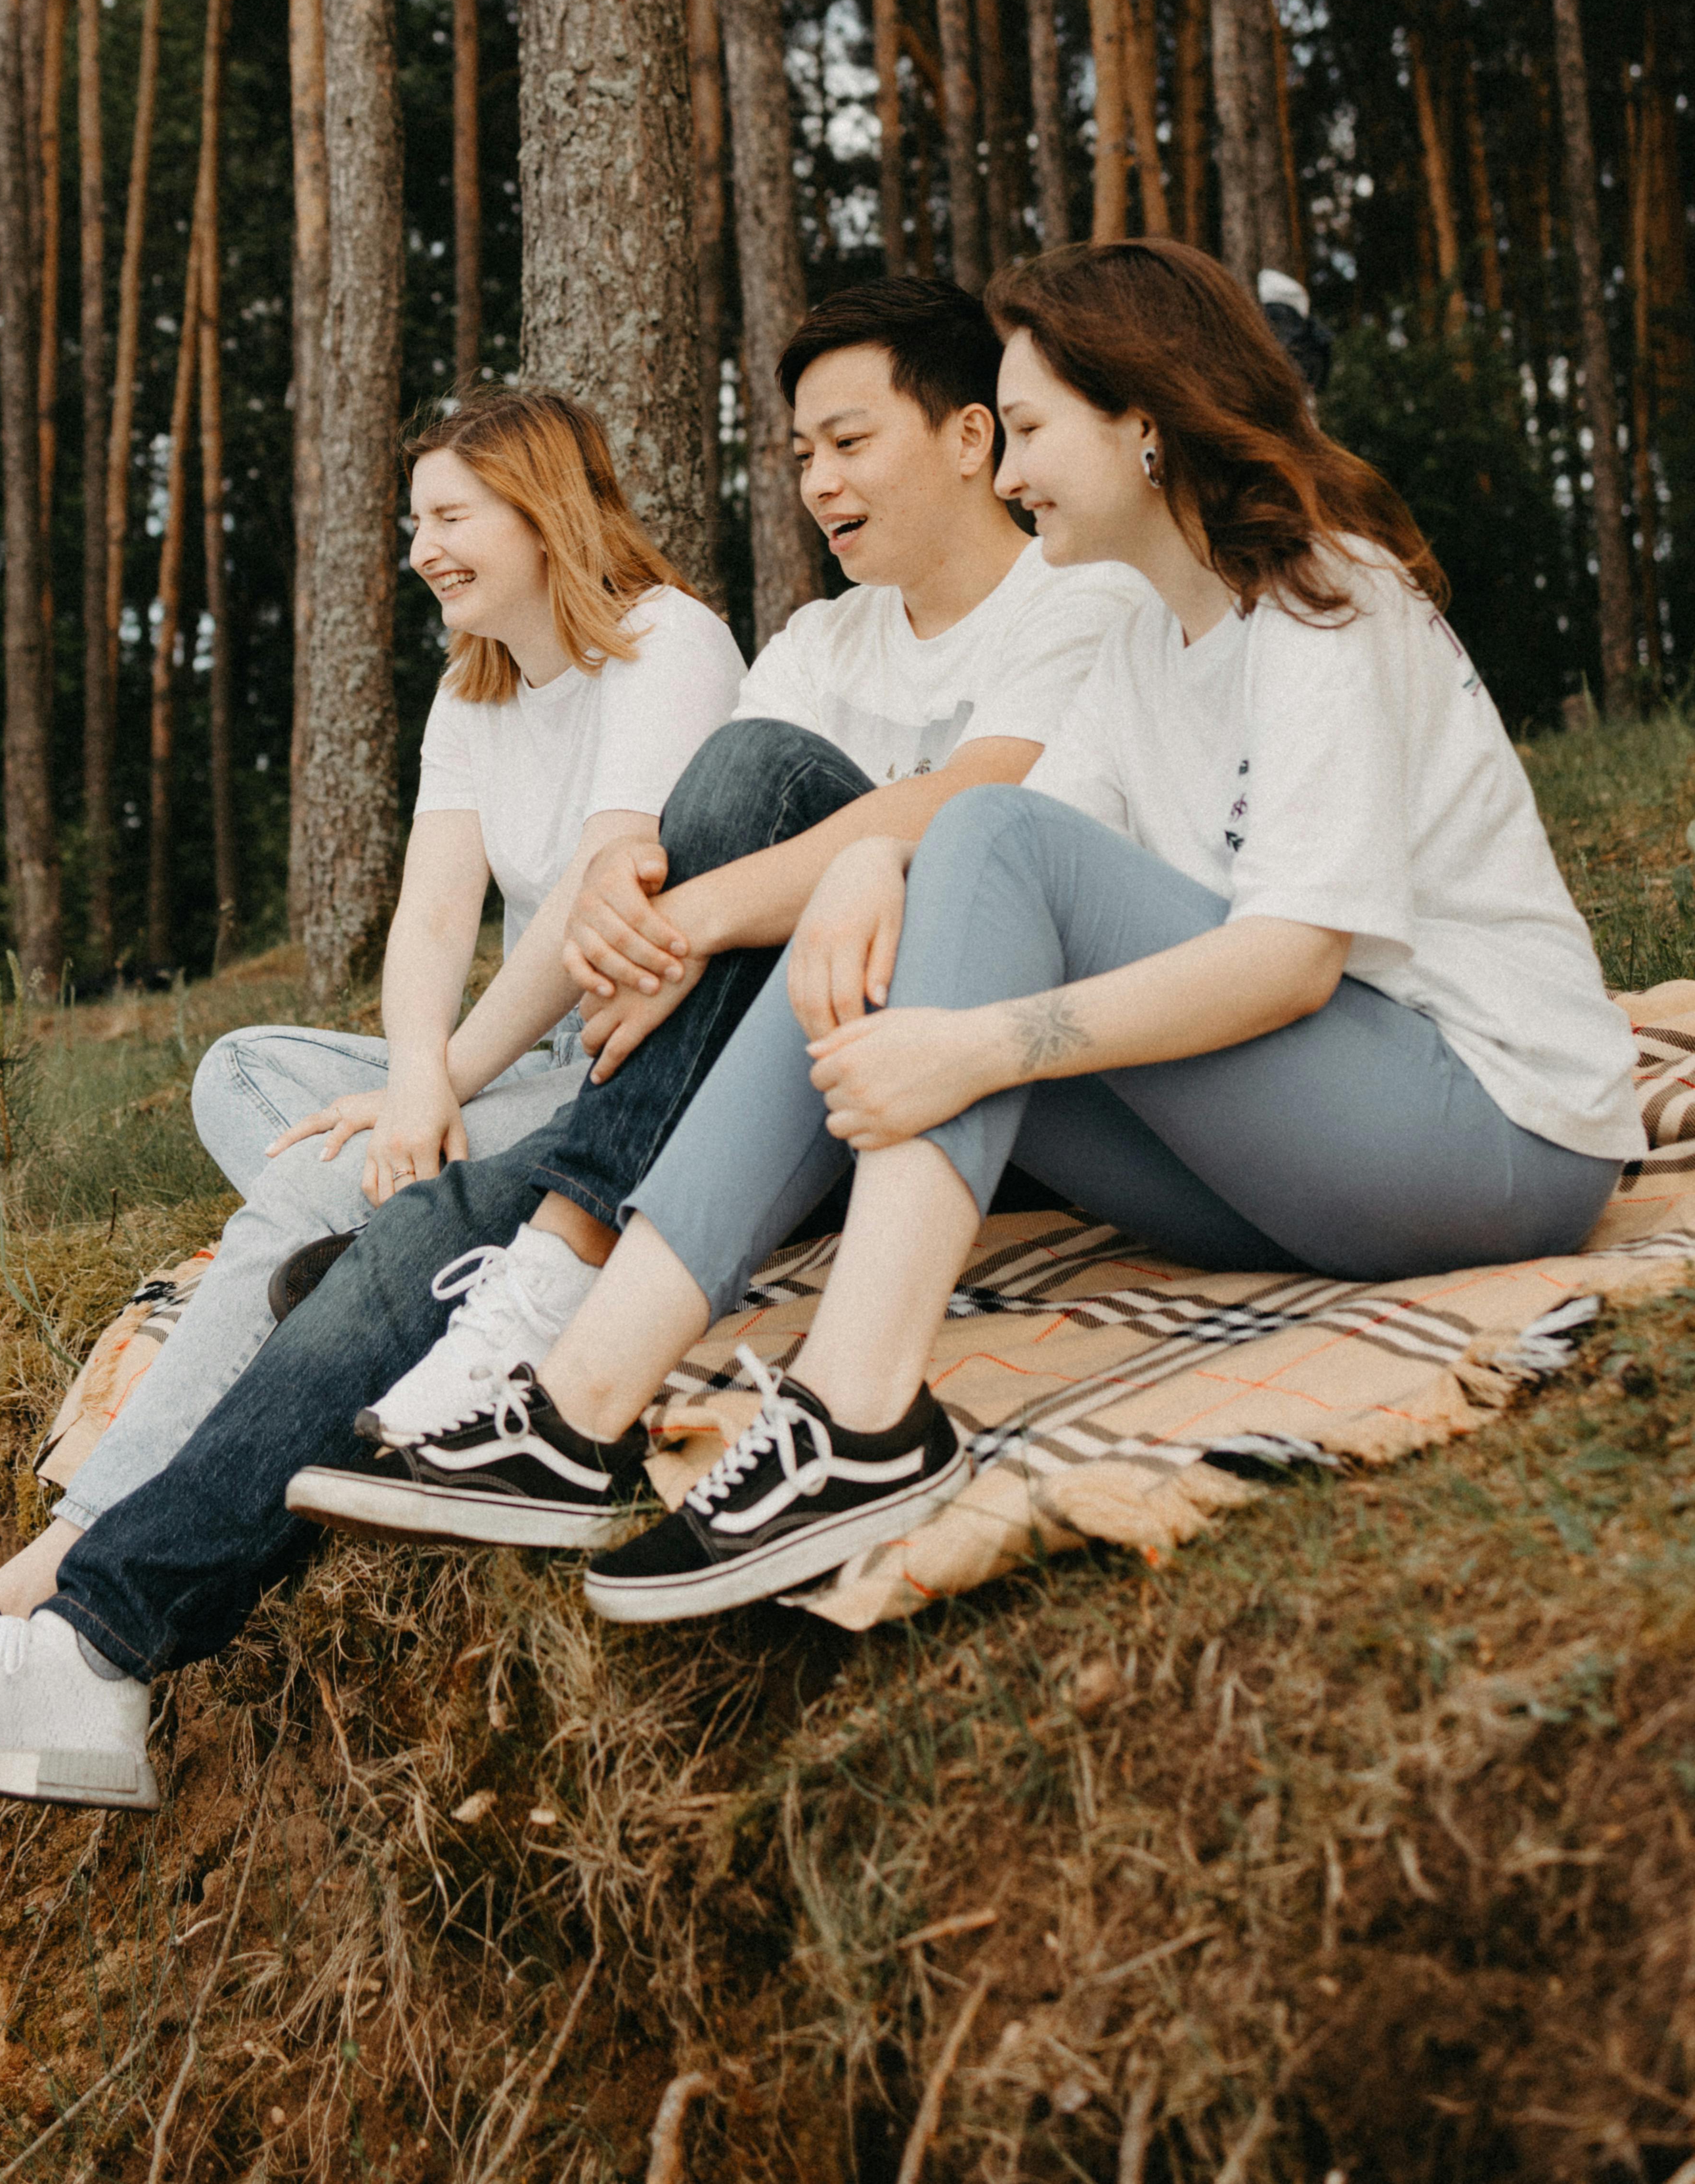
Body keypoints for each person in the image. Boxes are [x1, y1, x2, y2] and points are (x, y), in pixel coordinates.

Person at [0, 281, 1144, 1808]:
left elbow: (960, 809)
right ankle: (92, 1655)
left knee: (736, 797)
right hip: (741, 1071)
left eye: (849, 443)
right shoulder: (818, 642)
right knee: (390, 1215)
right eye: (799, 454)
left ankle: (520, 1276)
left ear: (969, 439)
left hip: (922, 1087)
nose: (817, 482)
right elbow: (620, 872)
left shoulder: (1075, 602)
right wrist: (615, 929)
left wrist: (685, 919)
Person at [290, 238, 1639, 1622]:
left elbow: (1287, 961)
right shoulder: (1142, 645)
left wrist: (984, 1041)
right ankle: (576, 1413)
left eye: (1033, 430)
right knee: (907, 905)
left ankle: (860, 1413)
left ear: (1146, 425)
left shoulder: (1320, 597)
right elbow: (1003, 874)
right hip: (1293, 1176)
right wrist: (872, 872)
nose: (1010, 470)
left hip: (1494, 1140)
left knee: (976, 851)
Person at [0, 384, 743, 1772]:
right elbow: (431, 914)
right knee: (246, 1070)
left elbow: (601, 890)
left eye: (451, 517)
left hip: (624, 1062)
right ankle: (389, 1221)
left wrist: (435, 1083)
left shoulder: (666, 643)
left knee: (293, 1189)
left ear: (544, 512)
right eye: (416, 522)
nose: (423, 549)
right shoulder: (475, 690)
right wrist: (418, 1077)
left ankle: (22, 1593)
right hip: (510, 1067)